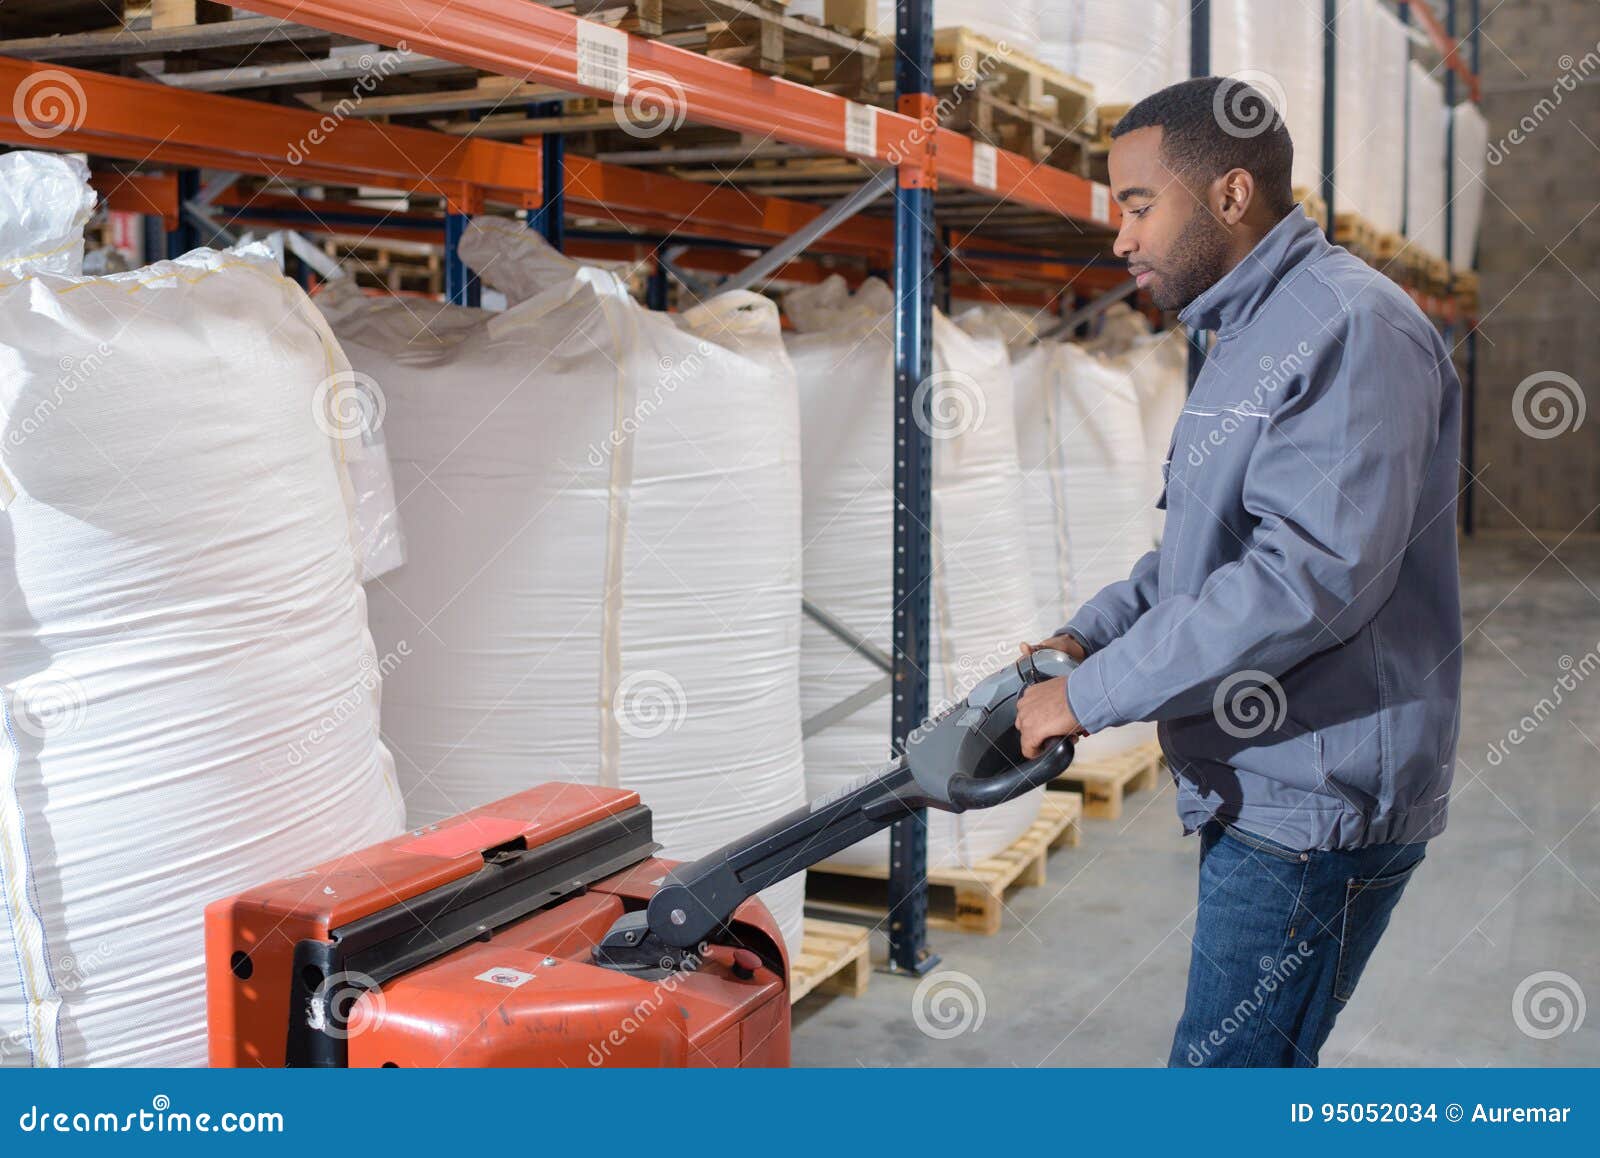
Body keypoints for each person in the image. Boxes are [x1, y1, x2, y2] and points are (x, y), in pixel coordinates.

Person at [1014, 76, 1464, 1067]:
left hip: (1319, 795)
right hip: (1266, 779)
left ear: (1227, 197)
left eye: (1138, 206)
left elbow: (1306, 578)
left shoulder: (1350, 327)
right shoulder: (1249, 331)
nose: (1120, 239)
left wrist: (1088, 696)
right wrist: (1083, 637)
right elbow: (1203, 549)